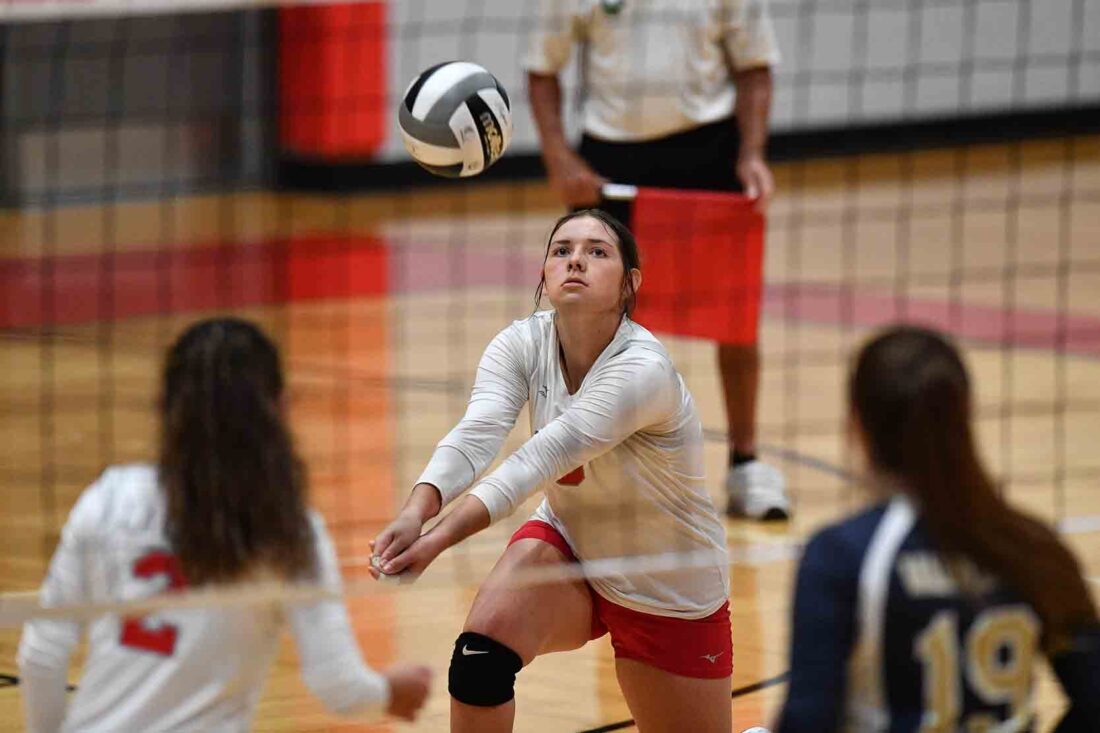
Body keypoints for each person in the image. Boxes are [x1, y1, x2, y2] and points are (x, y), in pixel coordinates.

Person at [371, 210, 733, 732]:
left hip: (665, 581)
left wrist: (433, 543)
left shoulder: (642, 370)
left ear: (631, 284)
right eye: (561, 250)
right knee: (480, 660)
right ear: (543, 273)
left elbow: (535, 462)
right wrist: (415, 511)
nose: (576, 261)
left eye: (597, 251)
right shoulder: (520, 343)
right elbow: (476, 434)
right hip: (573, 544)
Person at [17, 318, 431, 733]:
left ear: (164, 405)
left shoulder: (109, 498)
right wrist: (390, 691)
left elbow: (42, 654)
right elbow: (338, 687)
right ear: (282, 408)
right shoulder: (287, 529)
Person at [525, 0, 790, 520]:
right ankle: (585, 469)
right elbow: (542, 71)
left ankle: (745, 464)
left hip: (709, 149)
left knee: (734, 314)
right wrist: (559, 158)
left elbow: (755, 66)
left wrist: (752, 154)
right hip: (609, 159)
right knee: (587, 323)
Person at [775, 325, 1100, 731]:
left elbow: (807, 721)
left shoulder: (841, 556)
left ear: (857, 422)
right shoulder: (1035, 549)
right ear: (962, 416)